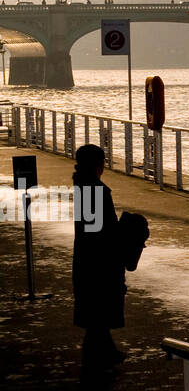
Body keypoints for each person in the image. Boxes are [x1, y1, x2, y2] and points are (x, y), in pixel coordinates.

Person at [72, 144, 126, 379]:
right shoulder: (96, 191)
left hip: (87, 259)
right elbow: (100, 231)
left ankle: (107, 353)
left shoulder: (82, 188)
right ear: (98, 164)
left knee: (96, 314)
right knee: (99, 312)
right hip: (99, 262)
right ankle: (96, 362)